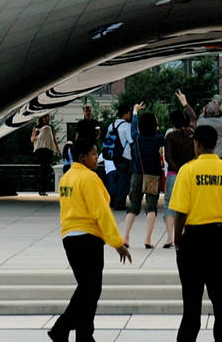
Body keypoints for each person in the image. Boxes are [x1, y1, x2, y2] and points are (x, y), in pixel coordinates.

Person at [48, 139, 132, 342]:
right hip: (88, 239)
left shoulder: (67, 178)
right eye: (93, 154)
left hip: (70, 238)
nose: (97, 158)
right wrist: (117, 242)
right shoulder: (89, 178)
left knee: (88, 288)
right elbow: (101, 212)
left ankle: (83, 334)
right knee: (90, 289)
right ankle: (62, 328)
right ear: (82, 157)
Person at [170, 124, 222, 342]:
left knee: (191, 306)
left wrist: (177, 241)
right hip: (219, 240)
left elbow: (180, 212)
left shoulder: (187, 170)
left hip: (193, 242)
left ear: (198, 144)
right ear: (215, 144)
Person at [123, 105, 165, 248]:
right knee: (151, 207)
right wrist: (157, 126)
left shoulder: (137, 137)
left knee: (133, 207)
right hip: (152, 175)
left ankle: (126, 237)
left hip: (137, 174)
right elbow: (161, 135)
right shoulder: (158, 137)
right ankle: (147, 239)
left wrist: (135, 111)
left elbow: (133, 126)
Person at [163, 102, 197, 249]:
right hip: (189, 173)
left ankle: (170, 236)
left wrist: (177, 169)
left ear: (172, 122)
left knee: (169, 204)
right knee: (187, 204)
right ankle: (184, 233)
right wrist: (185, 103)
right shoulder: (191, 133)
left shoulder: (170, 136)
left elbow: (168, 157)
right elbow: (194, 117)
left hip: (173, 173)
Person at [104, 104, 134, 211]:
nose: (130, 115)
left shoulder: (111, 125)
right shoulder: (126, 126)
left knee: (116, 180)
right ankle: (120, 203)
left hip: (113, 157)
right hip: (125, 157)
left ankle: (112, 201)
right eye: (129, 113)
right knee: (124, 181)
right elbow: (131, 142)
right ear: (125, 114)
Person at [32, 115, 60, 196]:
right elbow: (32, 139)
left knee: (46, 169)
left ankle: (43, 189)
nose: (47, 119)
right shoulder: (37, 127)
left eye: (48, 118)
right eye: (45, 118)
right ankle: (41, 189)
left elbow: (54, 139)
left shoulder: (50, 127)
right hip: (40, 149)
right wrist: (36, 136)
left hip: (48, 149)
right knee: (43, 168)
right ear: (42, 118)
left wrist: (58, 150)